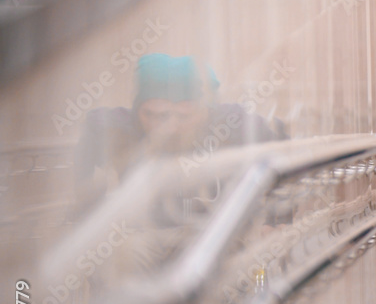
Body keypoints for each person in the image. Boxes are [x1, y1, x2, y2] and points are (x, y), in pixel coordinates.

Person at [73, 53, 285, 216]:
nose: (168, 127)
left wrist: (276, 220)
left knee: (258, 271)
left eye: (184, 116)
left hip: (219, 233)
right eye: (154, 115)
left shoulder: (236, 124)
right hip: (146, 238)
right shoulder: (111, 128)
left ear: (205, 111)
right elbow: (78, 189)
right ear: (137, 110)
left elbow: (283, 162)